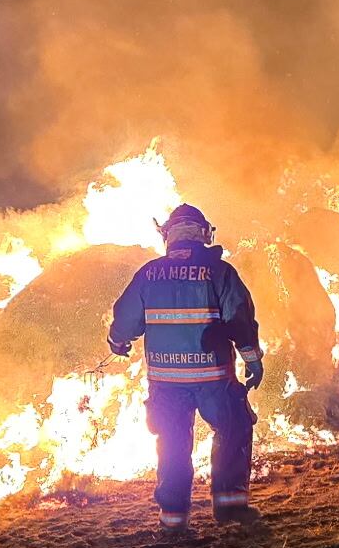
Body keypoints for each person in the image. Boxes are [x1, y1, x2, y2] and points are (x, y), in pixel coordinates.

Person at [106, 203, 264, 529]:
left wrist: (117, 342)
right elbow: (240, 319)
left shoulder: (149, 273)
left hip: (166, 381)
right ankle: (230, 508)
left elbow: (125, 319)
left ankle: (173, 517)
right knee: (233, 428)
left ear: (168, 235)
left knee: (173, 443)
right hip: (213, 377)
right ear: (204, 234)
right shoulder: (220, 272)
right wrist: (252, 359)